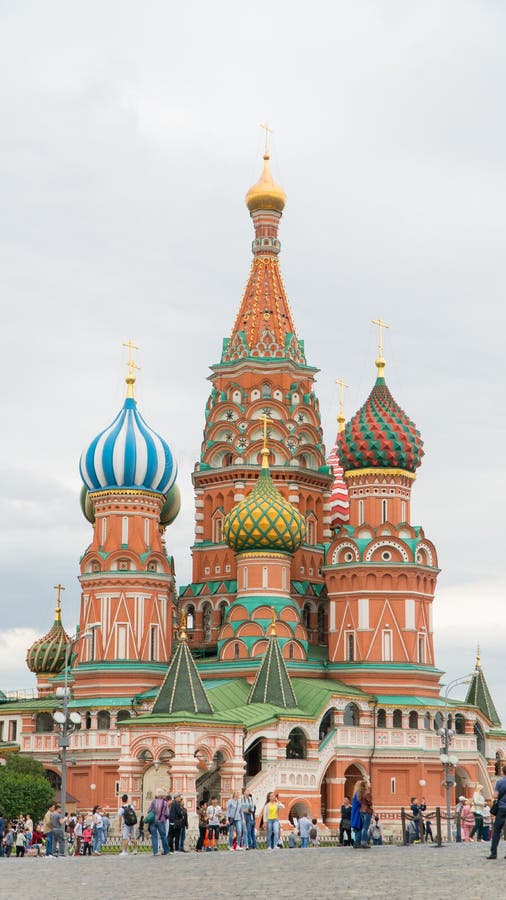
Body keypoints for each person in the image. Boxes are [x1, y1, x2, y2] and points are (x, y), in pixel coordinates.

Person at [487, 764, 506, 859]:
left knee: (497, 830)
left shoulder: (500, 782)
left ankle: (494, 853)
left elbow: (495, 796)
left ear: (503, 772)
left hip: (502, 809)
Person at [147, 788, 170, 856]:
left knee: (154, 836)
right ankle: (166, 851)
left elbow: (148, 811)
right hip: (161, 821)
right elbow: (167, 813)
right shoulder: (165, 803)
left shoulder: (153, 802)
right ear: (162, 795)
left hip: (153, 822)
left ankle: (155, 852)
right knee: (163, 836)